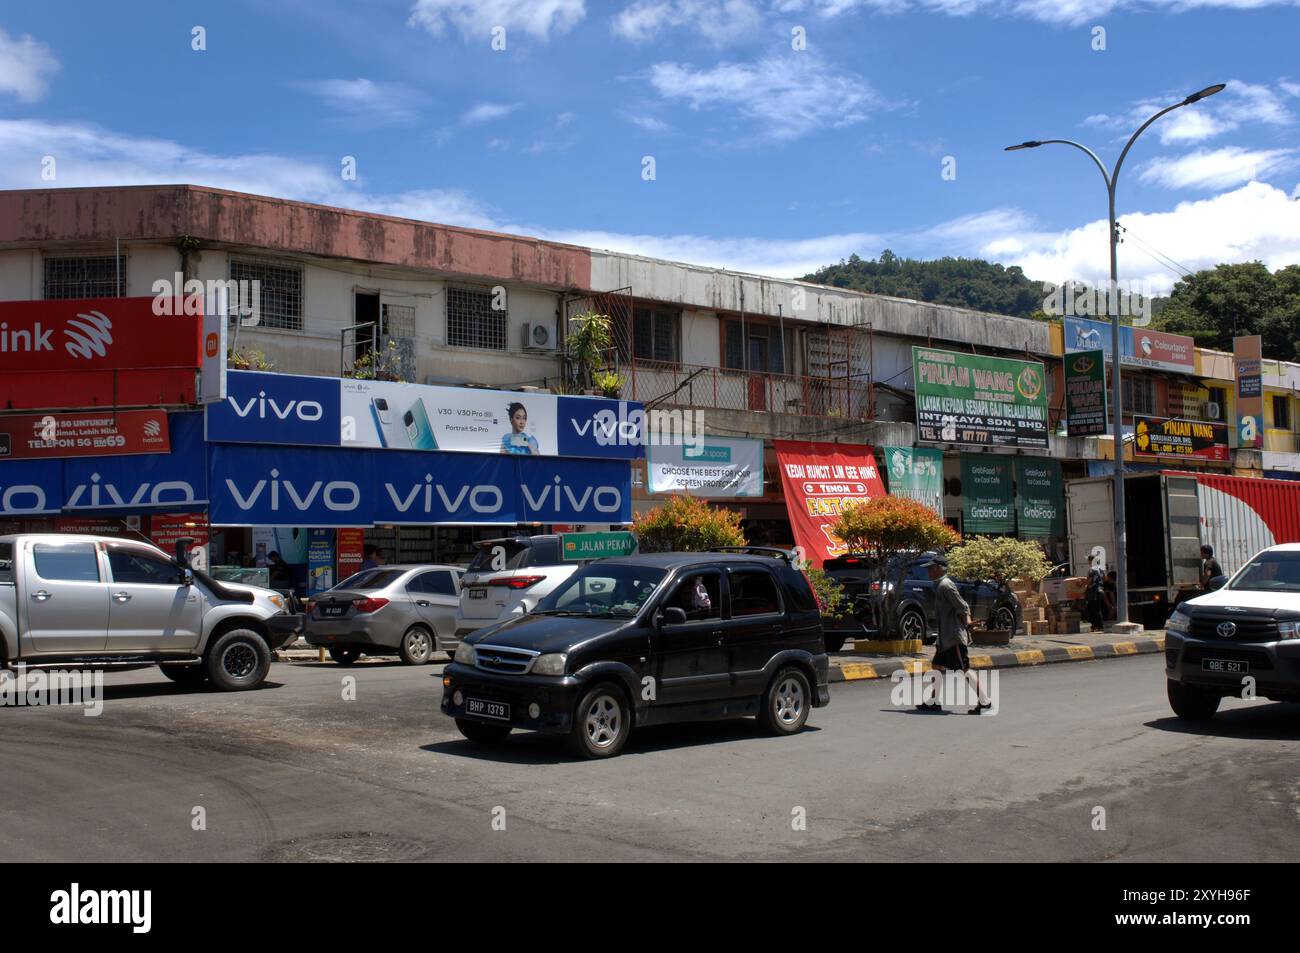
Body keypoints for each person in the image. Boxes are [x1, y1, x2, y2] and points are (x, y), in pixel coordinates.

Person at [919, 554, 991, 715]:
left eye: (931, 568)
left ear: (939, 569)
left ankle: (985, 701)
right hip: (944, 637)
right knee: (936, 666)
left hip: (953, 637)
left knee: (964, 669)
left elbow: (963, 606)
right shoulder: (939, 585)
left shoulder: (946, 585)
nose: (929, 571)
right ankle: (933, 701)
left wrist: (968, 623)